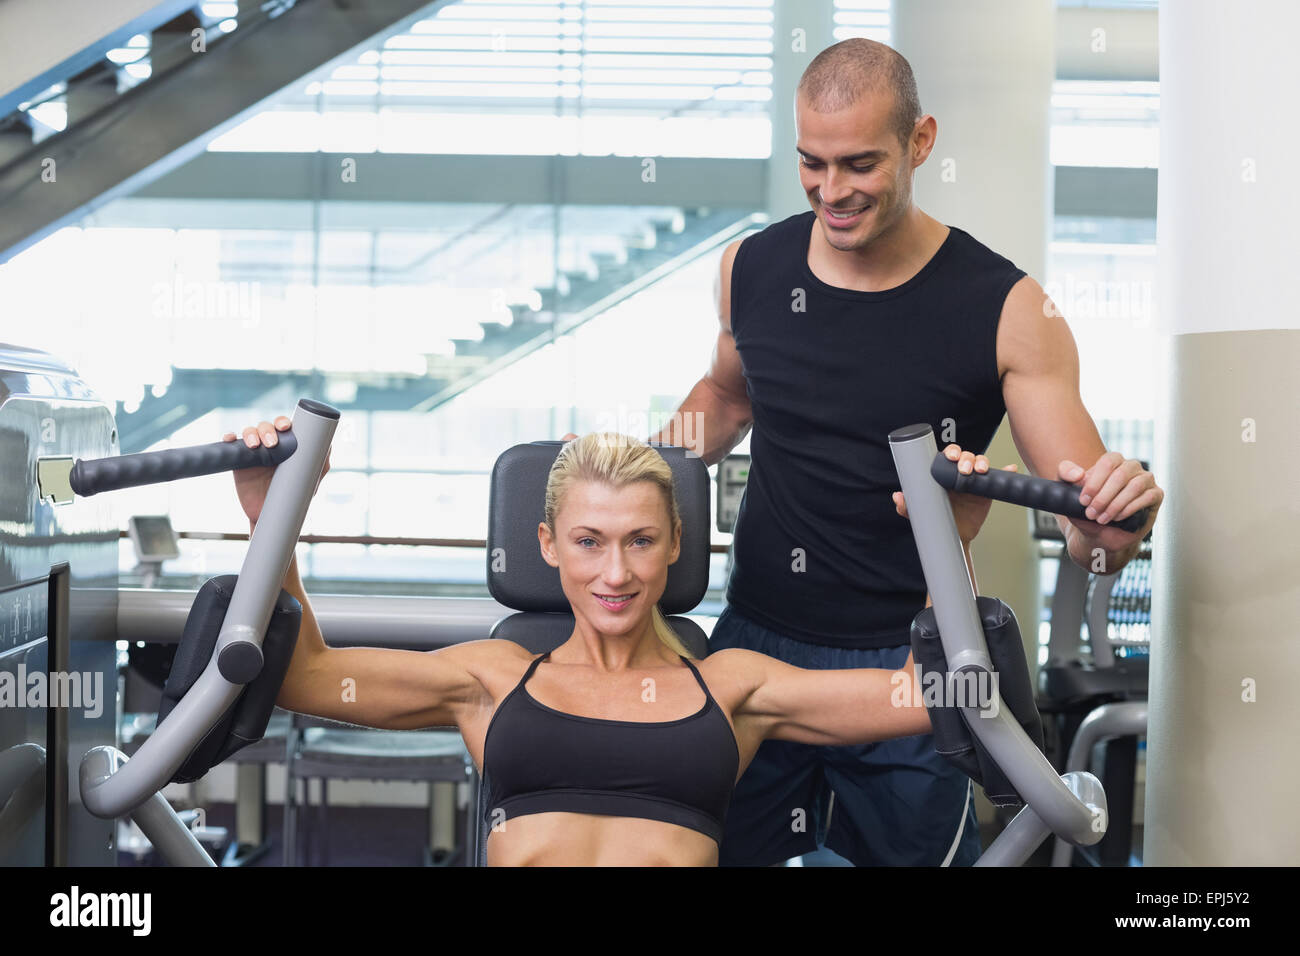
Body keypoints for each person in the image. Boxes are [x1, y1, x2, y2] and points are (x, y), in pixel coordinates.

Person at [646, 38, 1165, 866]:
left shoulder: (1007, 307)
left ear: (920, 143)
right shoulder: (752, 265)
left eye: (859, 163)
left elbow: (1094, 539)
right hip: (754, 640)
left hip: (914, 664)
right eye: (812, 163)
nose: (831, 190)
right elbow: (727, 397)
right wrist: (635, 467)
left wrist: (1118, 512)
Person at [223, 421, 1005, 866]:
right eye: (590, 542)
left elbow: (928, 693)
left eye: (640, 541)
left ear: (674, 545)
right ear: (548, 545)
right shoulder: (490, 678)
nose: (617, 573)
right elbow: (307, 676)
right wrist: (273, 511)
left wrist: (951, 534)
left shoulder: (732, 687)